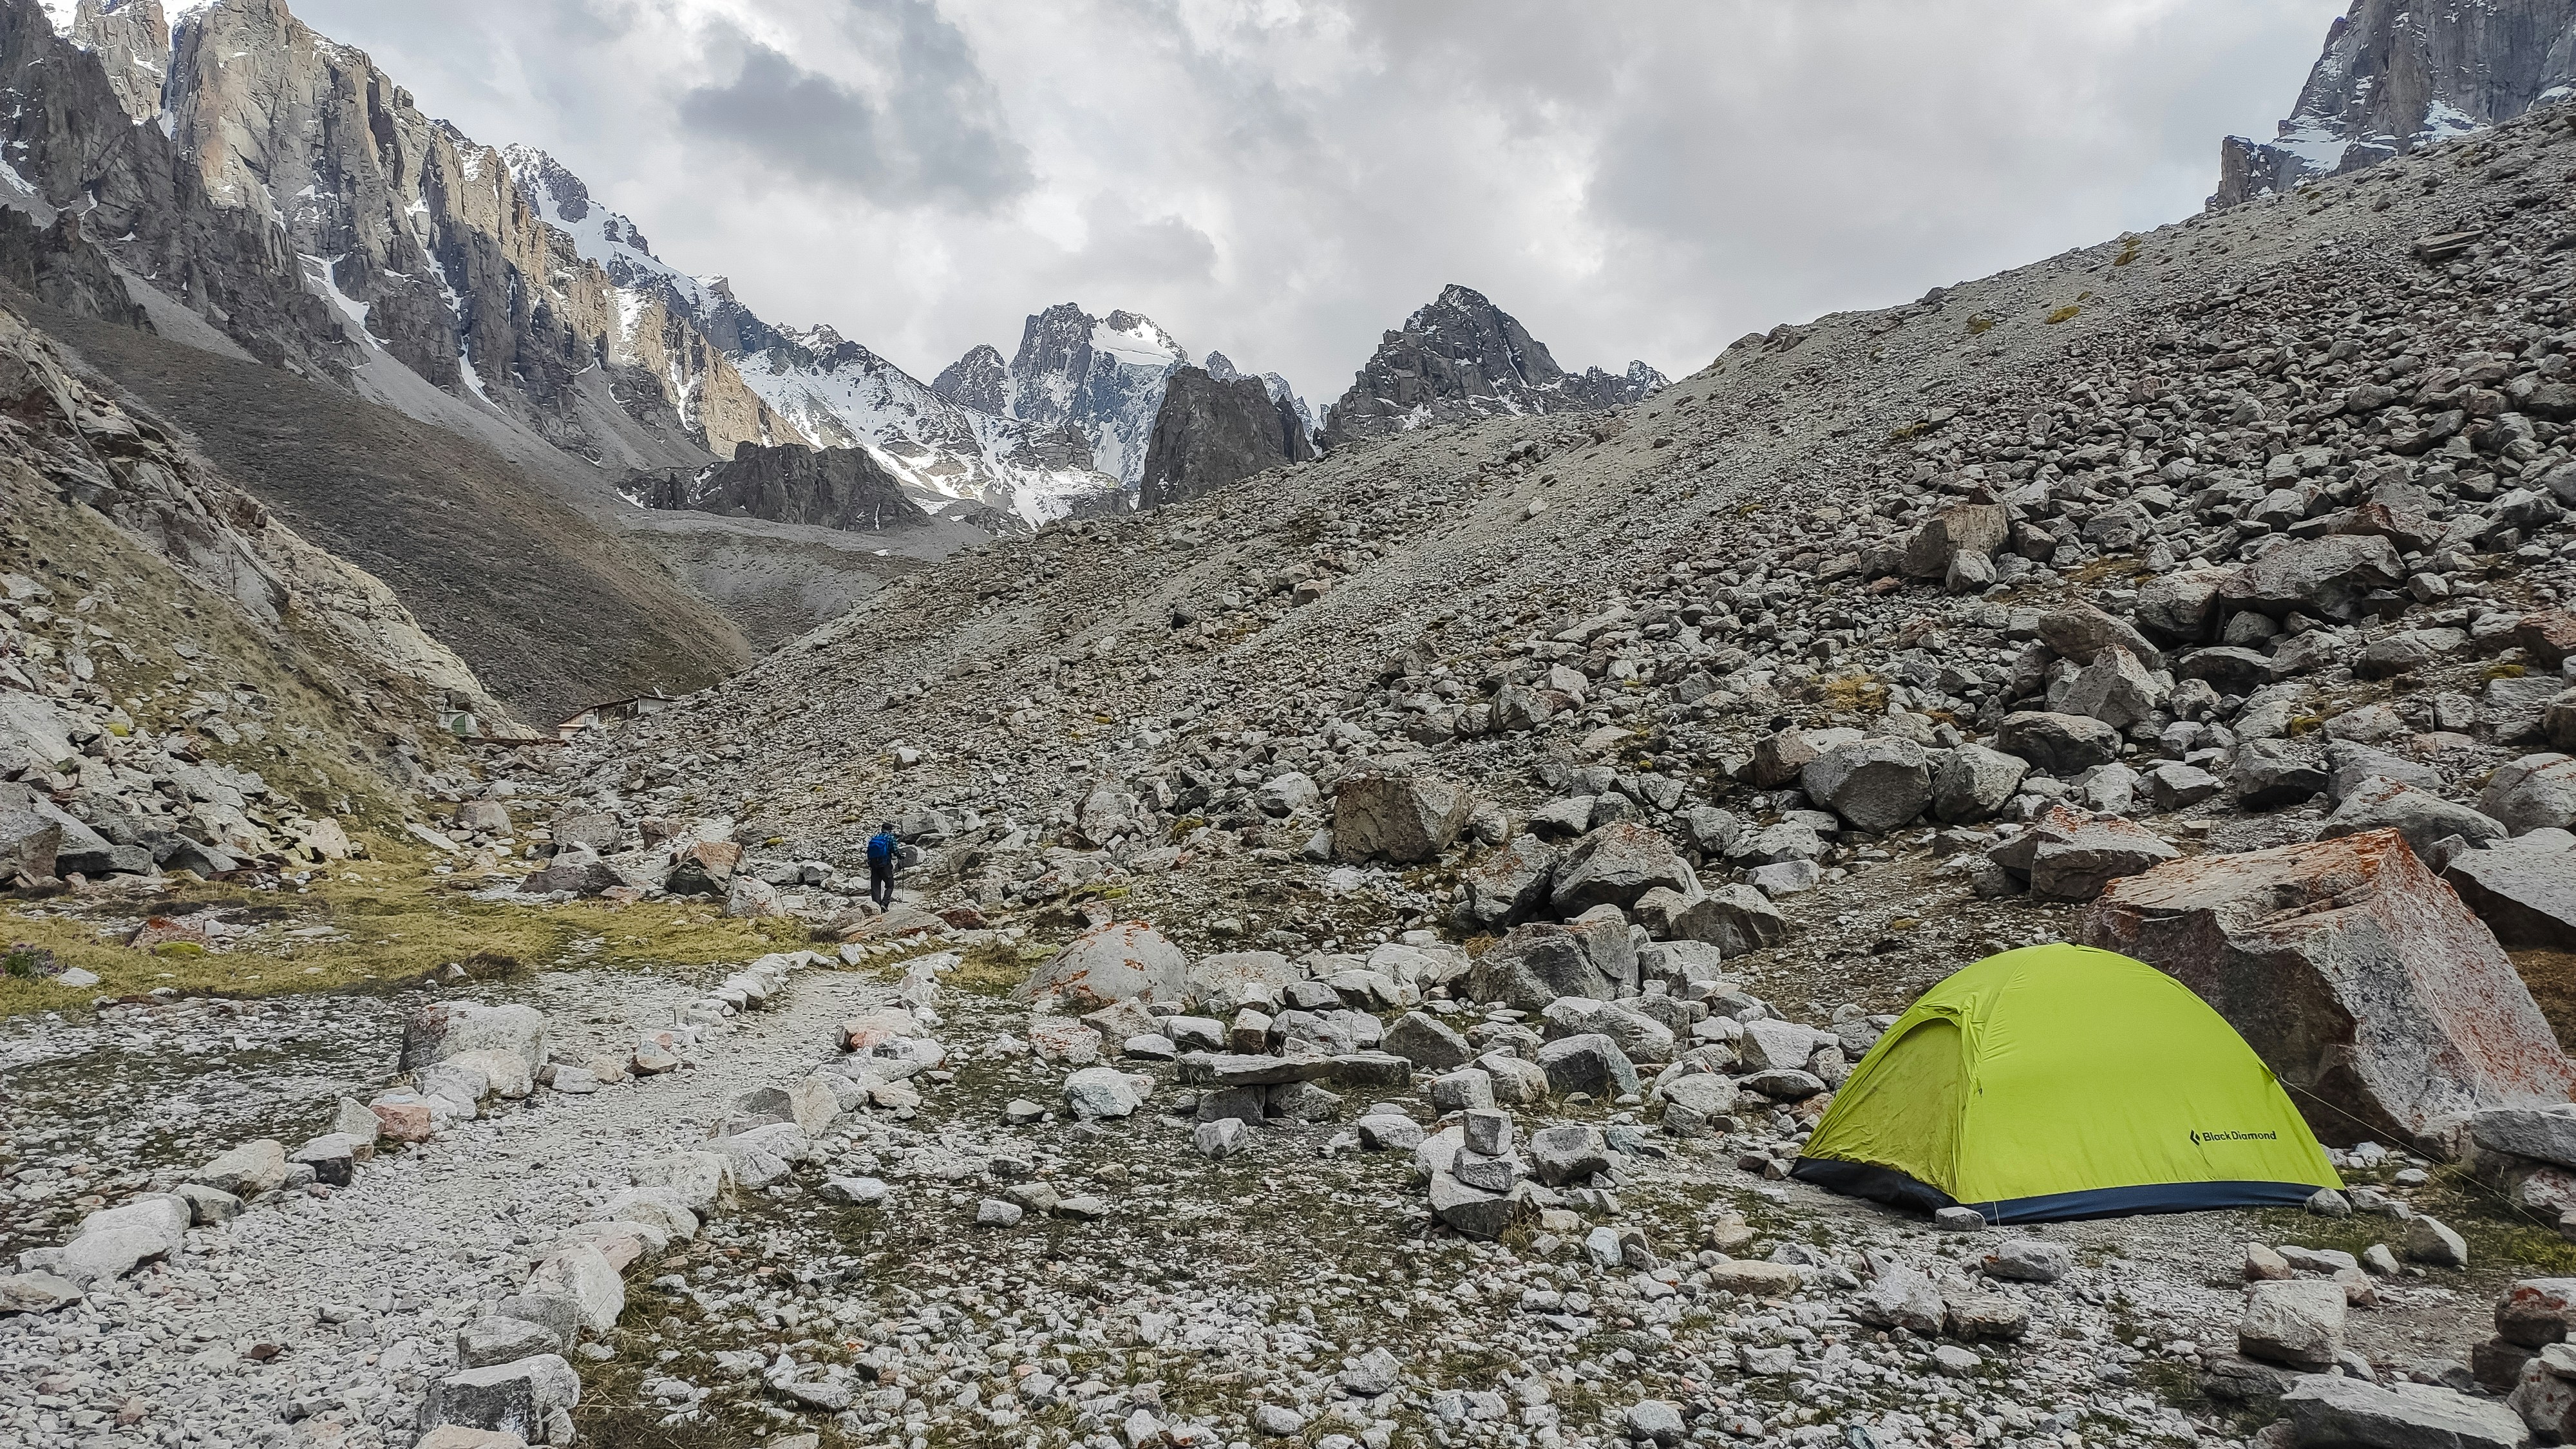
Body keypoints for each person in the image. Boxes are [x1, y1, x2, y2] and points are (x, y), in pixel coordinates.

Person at [865, 821, 900, 910]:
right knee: (890, 885)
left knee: (875, 886)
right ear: (890, 830)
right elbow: (895, 850)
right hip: (885, 864)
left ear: (882, 829)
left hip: (874, 865)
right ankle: (884, 903)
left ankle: (876, 907)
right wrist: (901, 856)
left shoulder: (876, 837)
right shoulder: (890, 837)